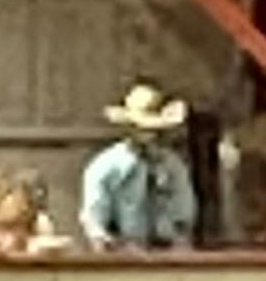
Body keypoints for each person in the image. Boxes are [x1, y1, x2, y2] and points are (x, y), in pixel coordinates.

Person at [79, 85, 197, 251]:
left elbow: (184, 214)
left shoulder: (173, 167)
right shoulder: (105, 167)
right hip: (121, 255)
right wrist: (108, 245)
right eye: (141, 128)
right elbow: (94, 220)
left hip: (168, 254)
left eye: (154, 130)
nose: (149, 134)